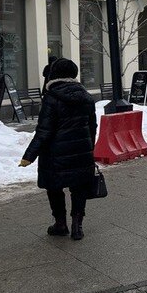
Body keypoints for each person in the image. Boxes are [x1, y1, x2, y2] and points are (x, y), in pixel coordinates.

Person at [19, 58, 97, 241]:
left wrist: (29, 156)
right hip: (81, 151)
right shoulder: (86, 96)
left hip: (55, 154)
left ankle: (60, 224)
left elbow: (44, 131)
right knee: (79, 188)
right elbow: (92, 127)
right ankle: (77, 226)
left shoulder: (51, 98)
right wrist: (88, 148)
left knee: (54, 187)